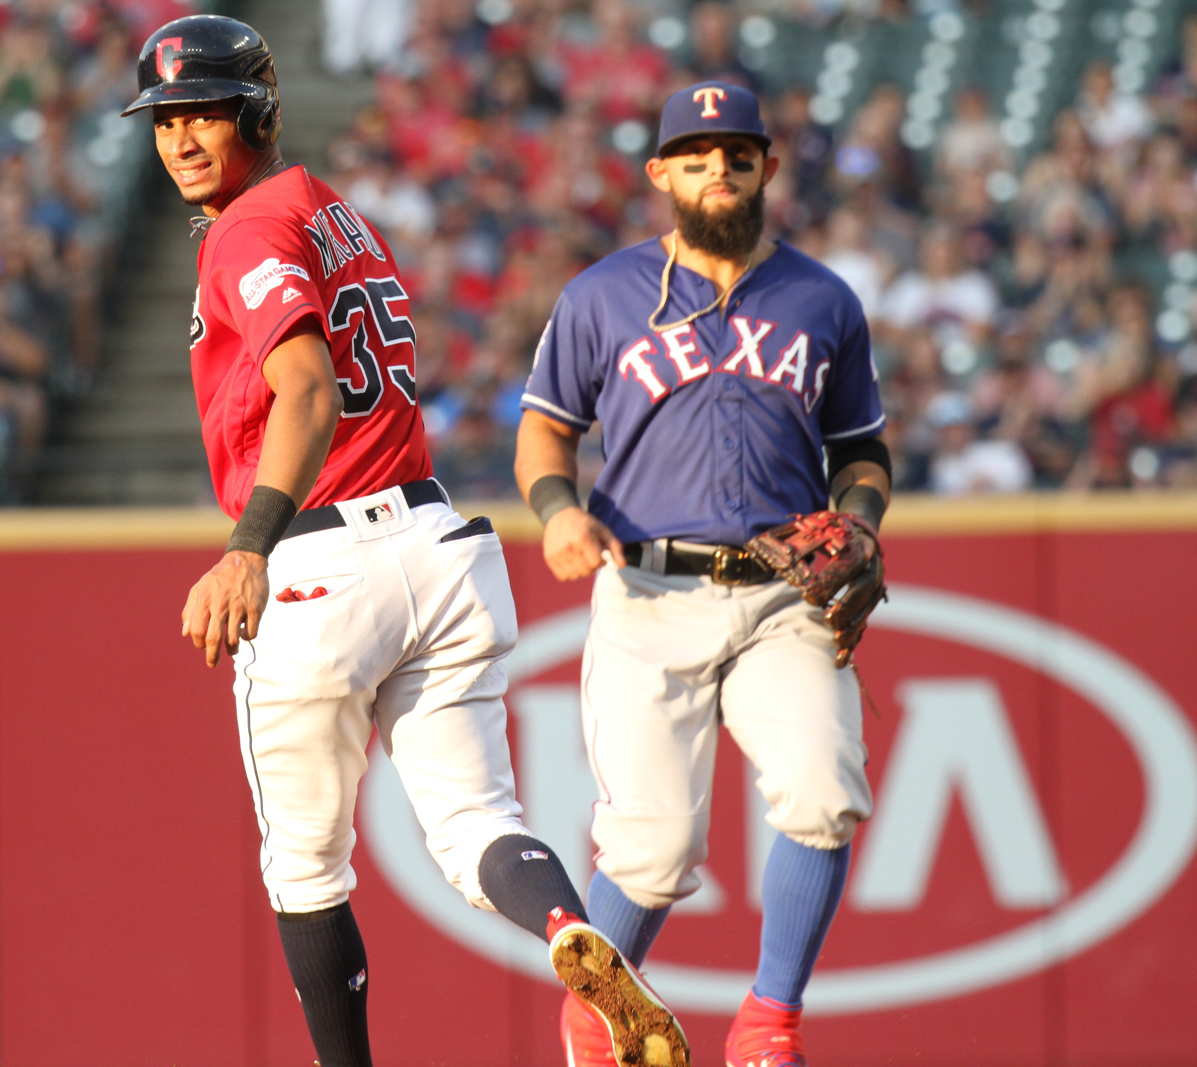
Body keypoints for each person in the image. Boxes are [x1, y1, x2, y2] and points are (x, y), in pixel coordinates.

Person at [127, 16, 686, 1067]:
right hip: (438, 544)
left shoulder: (247, 229)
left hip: (317, 561)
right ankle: (572, 932)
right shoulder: (337, 214)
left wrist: (250, 543)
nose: (181, 136)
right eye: (165, 117)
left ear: (258, 108)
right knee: (478, 822)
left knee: (304, 869)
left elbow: (307, 386)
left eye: (201, 109)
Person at [515, 82, 892, 1067]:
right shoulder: (601, 294)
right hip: (645, 588)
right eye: (693, 154)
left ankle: (769, 1020)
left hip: (783, 594)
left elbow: (860, 450)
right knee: (650, 848)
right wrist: (557, 511)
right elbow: (545, 429)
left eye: (734, 153)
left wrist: (858, 520)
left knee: (822, 786)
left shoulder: (823, 297)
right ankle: (595, 1027)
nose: (715, 171)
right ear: (659, 174)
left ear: (767, 165)